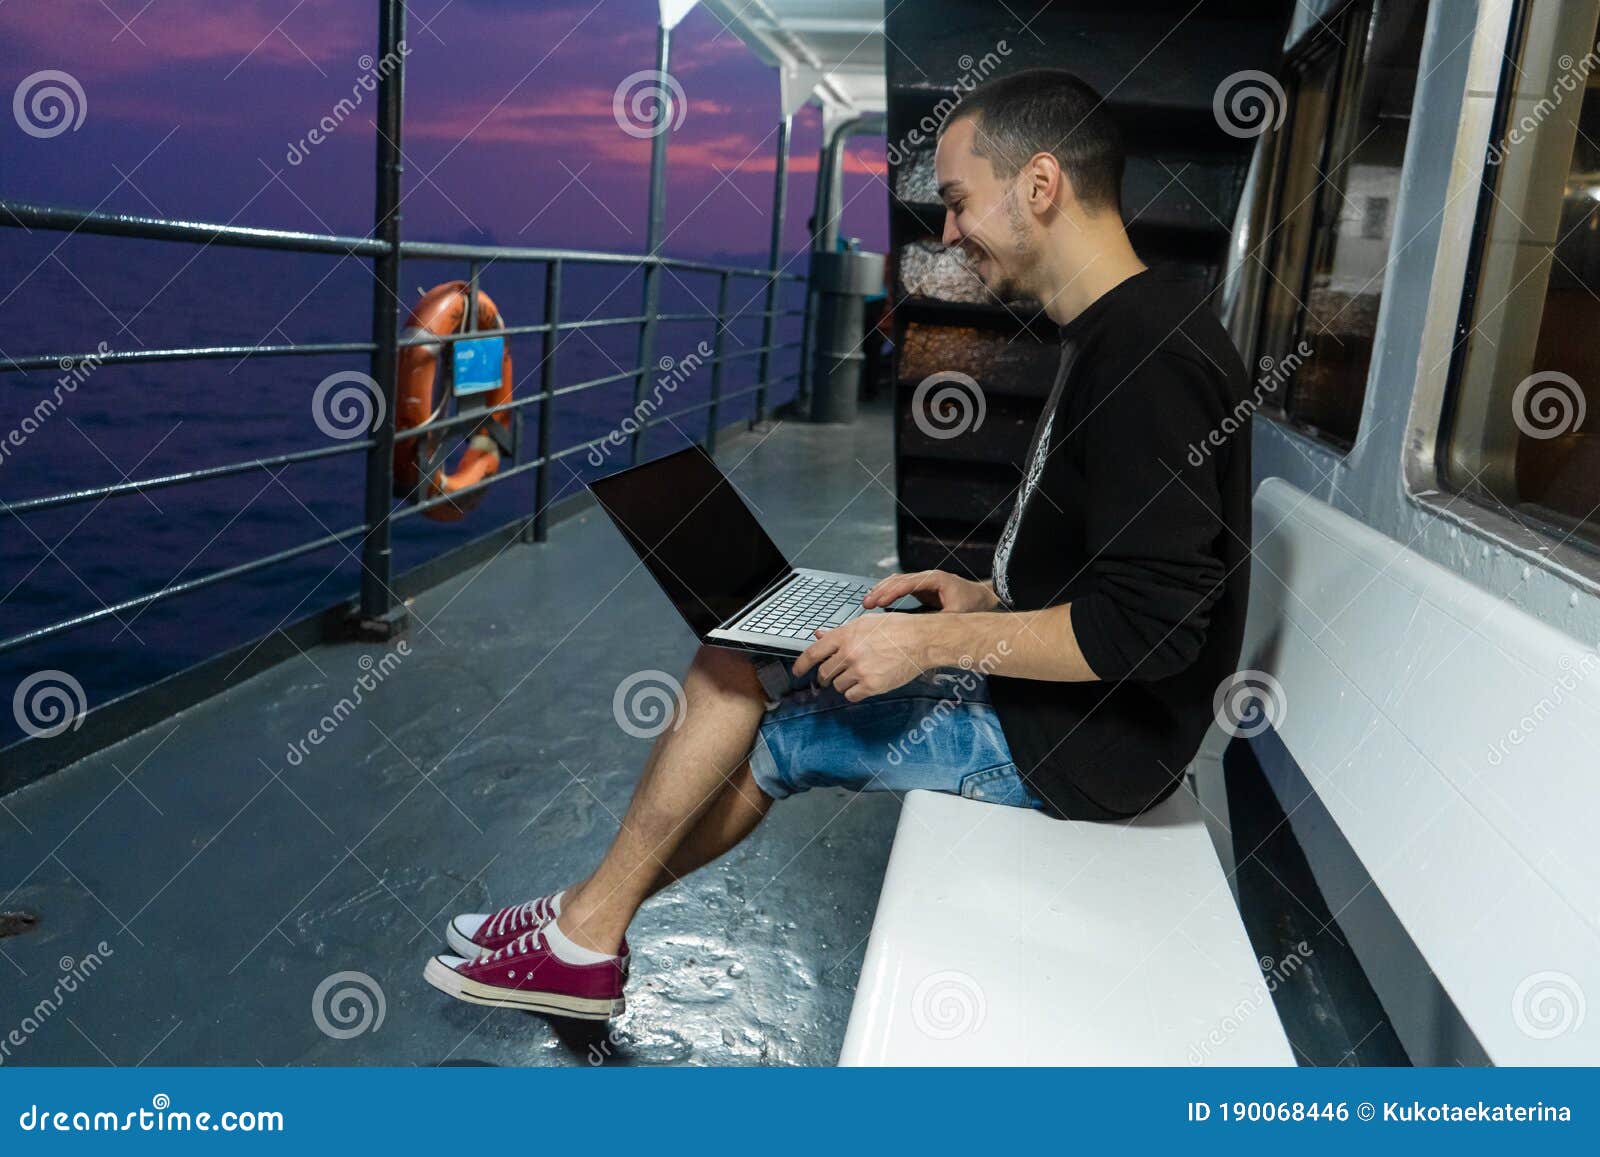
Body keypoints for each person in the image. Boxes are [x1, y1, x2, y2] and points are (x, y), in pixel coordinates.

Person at [423, 68, 1252, 1020]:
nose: (948, 234)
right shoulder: (1119, 330)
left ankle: (582, 931)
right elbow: (1114, 559)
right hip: (1064, 707)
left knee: (783, 731)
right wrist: (979, 595)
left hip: (1080, 750)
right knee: (737, 646)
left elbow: (1152, 632)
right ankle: (585, 923)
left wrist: (930, 644)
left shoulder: (1149, 359)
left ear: (1040, 185)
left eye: (955, 201)